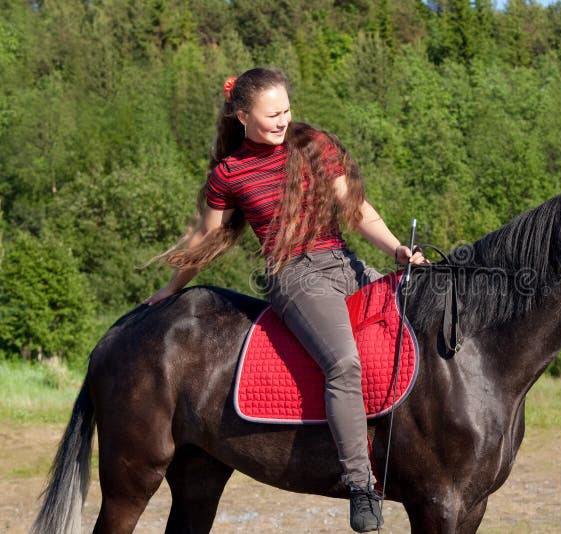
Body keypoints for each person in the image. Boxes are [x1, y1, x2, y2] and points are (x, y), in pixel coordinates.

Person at [145, 67, 425, 532]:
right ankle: (360, 484)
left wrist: (396, 248)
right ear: (241, 116)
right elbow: (205, 239)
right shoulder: (229, 174)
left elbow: (355, 209)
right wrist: (174, 287)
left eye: (286, 109)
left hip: (344, 262)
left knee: (417, 318)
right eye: (272, 113)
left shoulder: (313, 143)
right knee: (343, 365)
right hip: (296, 278)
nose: (282, 120)